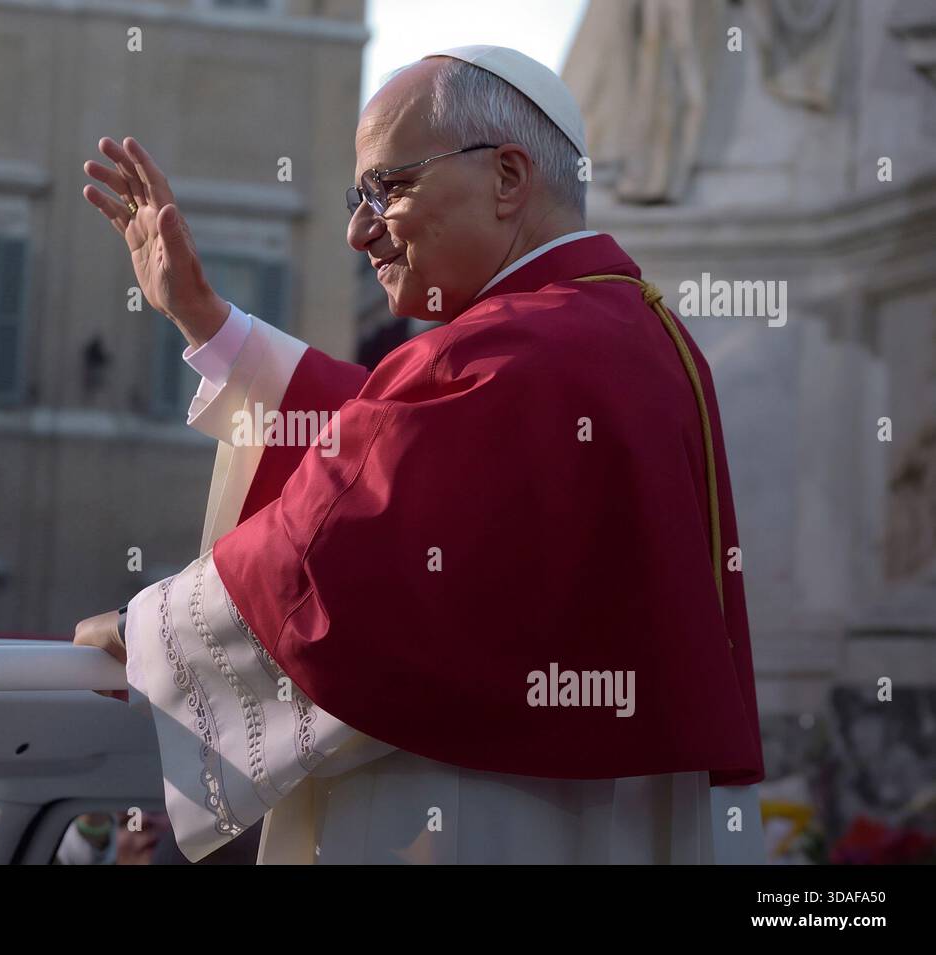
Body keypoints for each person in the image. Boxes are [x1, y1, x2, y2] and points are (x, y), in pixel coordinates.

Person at [75, 45, 765, 864]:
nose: (358, 229)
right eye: (356, 195)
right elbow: (386, 439)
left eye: (388, 188)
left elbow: (343, 544)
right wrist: (208, 320)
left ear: (508, 178)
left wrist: (141, 627)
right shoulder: (615, 333)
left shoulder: (524, 348)